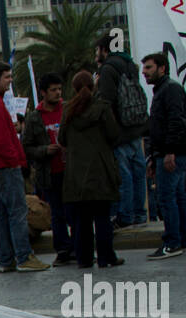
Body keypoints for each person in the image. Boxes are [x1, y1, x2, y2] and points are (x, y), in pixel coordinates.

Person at [0, 60, 50, 273]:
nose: (10, 81)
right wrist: (15, 160)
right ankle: (24, 255)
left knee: (2, 213)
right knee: (17, 211)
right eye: (7, 77)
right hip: (3, 166)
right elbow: (1, 139)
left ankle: (6, 259)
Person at [60, 70, 123, 269]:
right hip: (100, 169)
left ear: (74, 89)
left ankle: (84, 259)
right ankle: (106, 257)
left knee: (82, 220)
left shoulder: (68, 110)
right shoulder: (102, 108)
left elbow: (62, 139)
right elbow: (114, 135)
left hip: (76, 173)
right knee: (102, 217)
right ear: (93, 87)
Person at [143, 51, 186, 259]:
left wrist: (169, 152)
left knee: (167, 197)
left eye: (149, 68)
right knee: (178, 196)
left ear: (162, 68)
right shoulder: (163, 90)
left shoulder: (170, 89)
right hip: (168, 152)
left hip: (171, 153)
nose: (144, 72)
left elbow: (176, 121)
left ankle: (173, 242)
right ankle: (184, 240)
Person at [95, 36, 150, 228]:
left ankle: (125, 216)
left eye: (97, 50)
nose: (96, 55)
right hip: (137, 127)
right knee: (139, 173)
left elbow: (107, 102)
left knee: (124, 175)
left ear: (104, 49)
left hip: (120, 131)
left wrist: (109, 132)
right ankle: (140, 214)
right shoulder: (131, 65)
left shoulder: (108, 69)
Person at [21, 72, 74, 265]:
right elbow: (26, 147)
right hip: (50, 173)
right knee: (57, 213)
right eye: (53, 90)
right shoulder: (34, 117)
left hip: (71, 171)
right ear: (43, 92)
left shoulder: (68, 109)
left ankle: (78, 246)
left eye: (59, 89)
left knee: (74, 211)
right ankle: (63, 249)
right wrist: (44, 150)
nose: (57, 93)